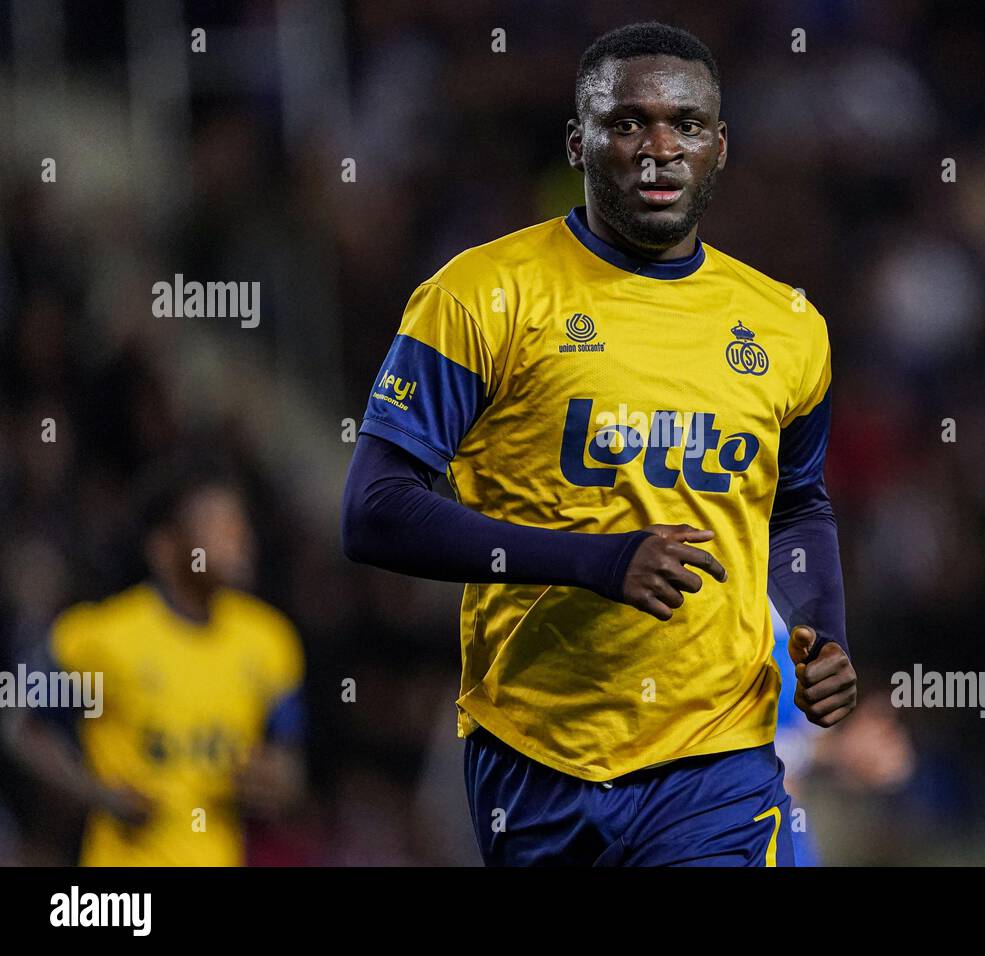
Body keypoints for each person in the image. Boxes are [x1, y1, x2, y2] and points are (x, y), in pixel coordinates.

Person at [342, 21, 855, 866]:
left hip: (717, 758)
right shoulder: (481, 295)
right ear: (578, 142)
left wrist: (823, 632)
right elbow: (373, 511)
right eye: (628, 123)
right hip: (534, 750)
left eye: (686, 125)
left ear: (719, 147)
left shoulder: (788, 326)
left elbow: (797, 504)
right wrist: (598, 561)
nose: (659, 147)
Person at [6, 461, 306, 866]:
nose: (236, 537)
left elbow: (290, 766)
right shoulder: (104, 637)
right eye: (214, 523)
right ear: (164, 548)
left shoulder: (269, 641)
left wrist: (279, 782)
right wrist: (98, 794)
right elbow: (17, 721)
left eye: (239, 523)